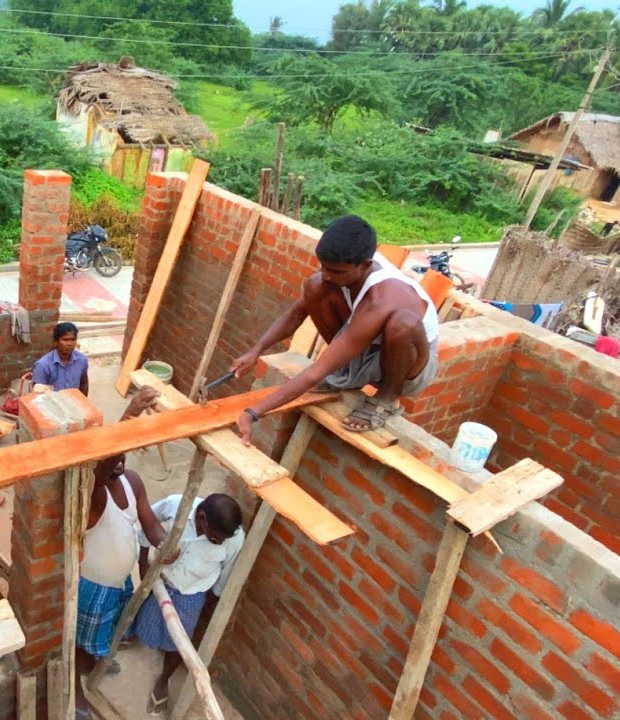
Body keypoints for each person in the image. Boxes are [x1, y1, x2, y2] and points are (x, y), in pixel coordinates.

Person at [231, 215, 439, 440]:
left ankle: (385, 399)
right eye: (324, 266)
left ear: (365, 265)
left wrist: (254, 412)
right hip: (369, 349)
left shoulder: (385, 296)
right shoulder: (347, 264)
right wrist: (256, 351)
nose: (328, 274)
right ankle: (343, 369)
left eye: (337, 271)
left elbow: (315, 373)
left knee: (403, 323)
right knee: (314, 284)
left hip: (406, 367)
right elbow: (296, 313)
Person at [75, 388, 173, 718]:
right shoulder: (94, 495)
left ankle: (98, 662)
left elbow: (151, 526)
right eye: (114, 460)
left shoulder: (131, 481)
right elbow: (102, 465)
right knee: (79, 643)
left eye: (123, 459)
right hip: (93, 586)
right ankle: (77, 691)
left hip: (119, 584)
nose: (119, 465)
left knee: (104, 633)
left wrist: (165, 543)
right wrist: (128, 415)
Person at [131, 493, 244, 716]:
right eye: (214, 539)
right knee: (139, 615)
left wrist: (209, 602)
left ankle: (164, 680)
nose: (219, 543)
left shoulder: (234, 538)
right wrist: (143, 563)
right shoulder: (175, 505)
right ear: (201, 518)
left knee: (178, 643)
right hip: (159, 579)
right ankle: (128, 636)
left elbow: (225, 575)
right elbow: (146, 525)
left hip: (191, 593)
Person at [32, 322, 89, 395]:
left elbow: (84, 383)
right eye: (65, 340)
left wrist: (83, 402)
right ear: (56, 342)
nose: (70, 344)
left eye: (73, 339)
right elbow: (38, 395)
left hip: (75, 403)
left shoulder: (82, 360)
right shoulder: (42, 365)